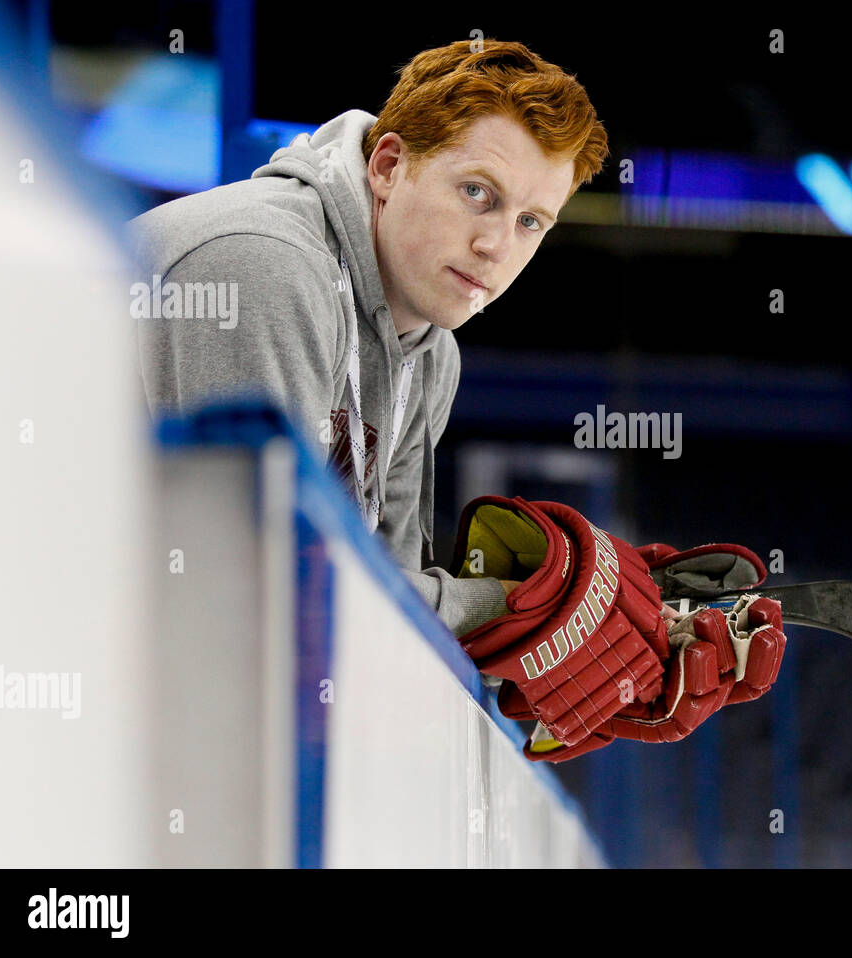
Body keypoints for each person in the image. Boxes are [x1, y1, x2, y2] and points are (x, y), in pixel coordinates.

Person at [130, 38, 785, 761]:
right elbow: (271, 592)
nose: (496, 246)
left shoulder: (430, 352)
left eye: (531, 222)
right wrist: (524, 606)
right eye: (478, 193)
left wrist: (567, 630)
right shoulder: (262, 268)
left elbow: (386, 612)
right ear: (388, 166)